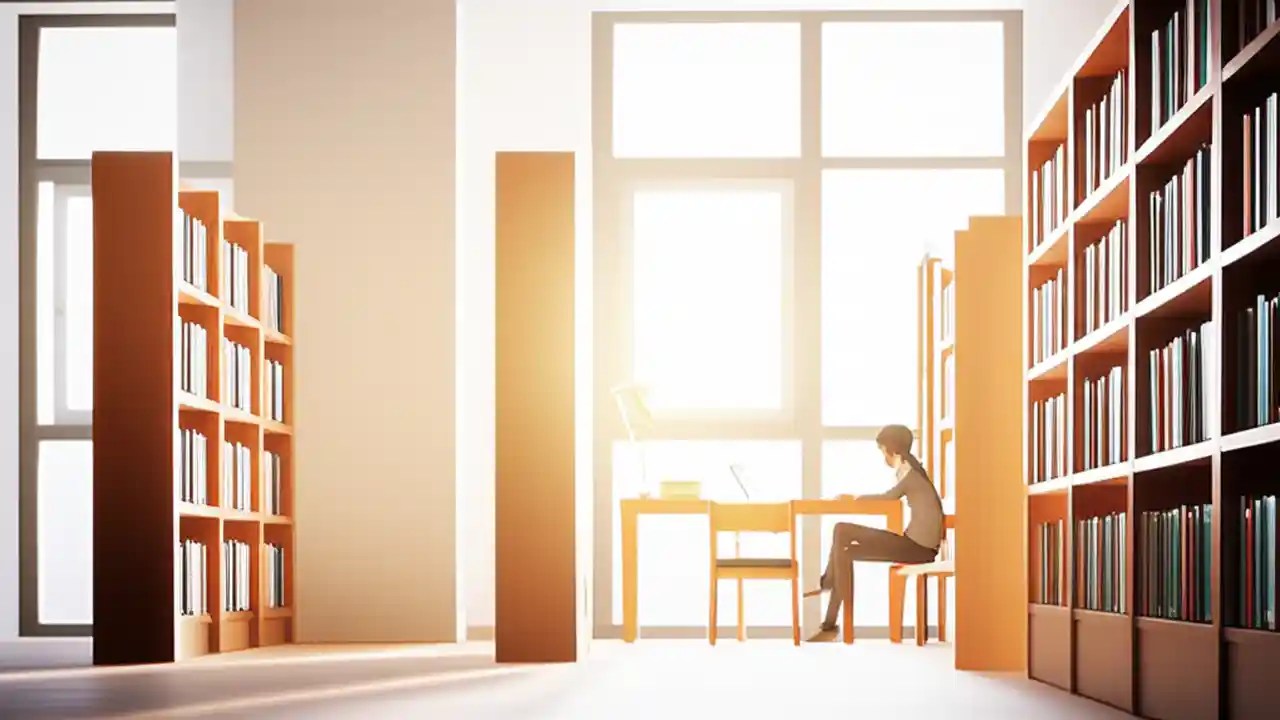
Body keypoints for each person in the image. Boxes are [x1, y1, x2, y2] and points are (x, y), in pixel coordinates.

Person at [806, 424, 943, 636]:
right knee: (845, 552)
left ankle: (828, 582)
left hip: (917, 548)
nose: (883, 457)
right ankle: (830, 620)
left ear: (891, 448)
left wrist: (854, 498)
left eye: (882, 450)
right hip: (916, 545)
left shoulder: (908, 470)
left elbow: (888, 497)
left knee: (842, 529)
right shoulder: (911, 470)